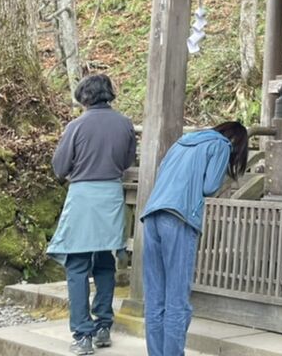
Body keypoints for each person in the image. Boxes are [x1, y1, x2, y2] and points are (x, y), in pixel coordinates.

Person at [140, 121, 249, 356]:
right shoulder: (221, 146)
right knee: (177, 300)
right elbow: (209, 186)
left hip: (151, 216)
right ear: (236, 142)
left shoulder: (181, 142)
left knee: (155, 298)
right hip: (179, 218)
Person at [48, 74, 137, 355]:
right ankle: (103, 326)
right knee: (104, 263)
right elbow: (127, 162)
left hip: (83, 196)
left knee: (76, 266)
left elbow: (60, 167)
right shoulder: (125, 124)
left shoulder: (76, 126)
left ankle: (82, 333)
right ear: (109, 95)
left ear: (84, 97)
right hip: (111, 195)